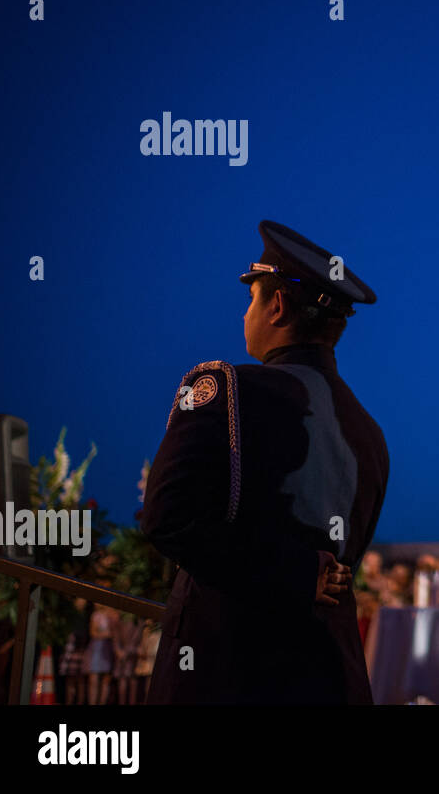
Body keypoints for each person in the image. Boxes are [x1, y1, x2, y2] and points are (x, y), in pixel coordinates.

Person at [141, 220, 389, 703]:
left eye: (251, 299)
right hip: (329, 678)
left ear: (276, 307)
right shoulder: (370, 432)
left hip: (229, 673)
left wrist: (294, 572)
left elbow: (166, 519)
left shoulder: (226, 390)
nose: (244, 316)